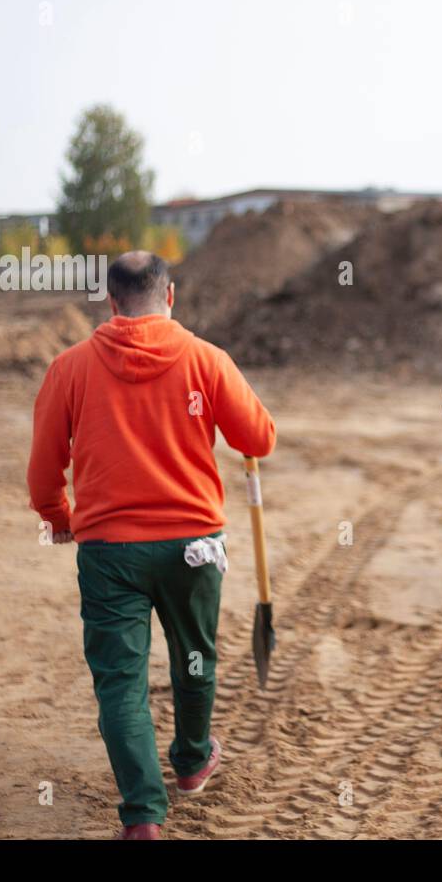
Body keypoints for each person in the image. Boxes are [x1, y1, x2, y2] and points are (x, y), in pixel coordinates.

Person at [27, 251, 276, 840]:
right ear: (170, 296)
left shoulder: (69, 368)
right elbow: (259, 437)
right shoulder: (207, 360)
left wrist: (57, 515)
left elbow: (43, 465)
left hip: (109, 550)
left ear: (112, 303)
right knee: (195, 656)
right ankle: (191, 763)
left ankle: (142, 815)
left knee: (121, 682)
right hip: (193, 545)